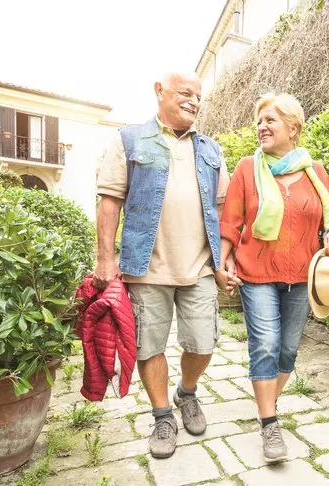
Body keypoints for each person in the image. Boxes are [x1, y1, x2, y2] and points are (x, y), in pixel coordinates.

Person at [94, 71, 241, 459]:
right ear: (159, 92)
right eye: (184, 93)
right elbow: (109, 200)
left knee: (204, 343)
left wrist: (225, 260)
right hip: (146, 268)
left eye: (198, 95)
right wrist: (105, 261)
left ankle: (187, 392)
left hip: (201, 268)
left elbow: (225, 208)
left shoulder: (212, 149)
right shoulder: (129, 140)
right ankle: (162, 415)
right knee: (149, 347)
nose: (194, 100)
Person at [219, 93, 329, 462]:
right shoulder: (247, 168)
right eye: (259, 121)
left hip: (302, 276)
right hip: (256, 273)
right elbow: (231, 221)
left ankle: (265, 400)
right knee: (266, 345)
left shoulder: (314, 171)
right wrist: (224, 262)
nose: (261, 127)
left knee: (288, 349)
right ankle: (270, 423)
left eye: (270, 120)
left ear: (292, 127)